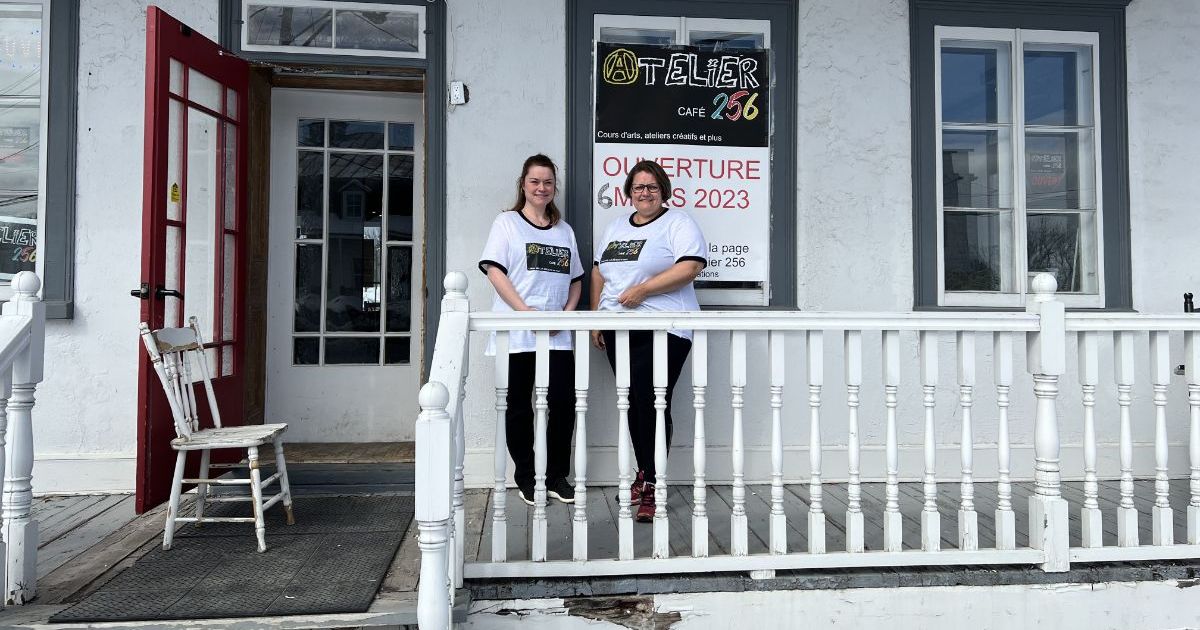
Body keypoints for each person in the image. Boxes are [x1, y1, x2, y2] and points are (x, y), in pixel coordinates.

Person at [590, 160, 707, 522]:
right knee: (632, 402)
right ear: (629, 192)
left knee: (653, 401)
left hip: (665, 327)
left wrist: (644, 290)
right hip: (618, 327)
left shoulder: (678, 223)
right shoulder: (615, 227)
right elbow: (598, 272)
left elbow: (691, 266)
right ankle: (644, 474)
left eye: (652, 187)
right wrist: (597, 318)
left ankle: (654, 483)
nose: (645, 193)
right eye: (639, 187)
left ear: (663, 191)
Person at [479, 154, 584, 506]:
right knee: (519, 407)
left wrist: (565, 316)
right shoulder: (507, 223)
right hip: (518, 333)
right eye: (535, 181)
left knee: (564, 404)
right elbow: (495, 271)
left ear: (555, 187)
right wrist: (526, 314)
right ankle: (526, 477)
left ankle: (555, 476)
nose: (542, 188)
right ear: (523, 185)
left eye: (548, 182)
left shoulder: (564, 231)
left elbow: (576, 280)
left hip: (556, 336)